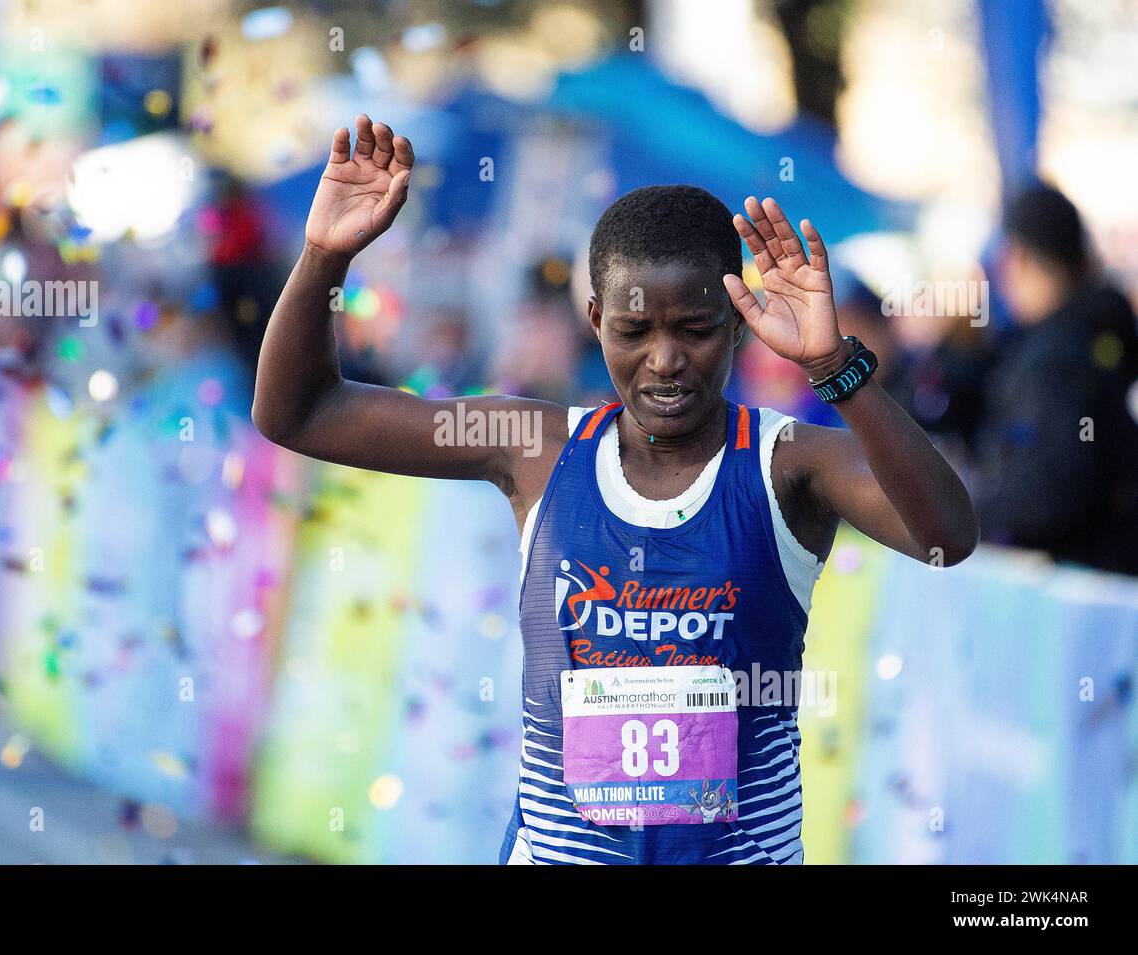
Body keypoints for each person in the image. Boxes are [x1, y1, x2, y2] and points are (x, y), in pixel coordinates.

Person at [252, 115, 979, 864]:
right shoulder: (534, 449)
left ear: (737, 323)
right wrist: (323, 256)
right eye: (634, 330)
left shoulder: (787, 464)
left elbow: (946, 536)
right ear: (596, 321)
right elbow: (299, 412)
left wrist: (833, 366)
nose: (664, 360)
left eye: (694, 328)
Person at [976, 183, 1138, 576]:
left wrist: (967, 514)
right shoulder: (1101, 332)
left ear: (1021, 257)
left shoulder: (1055, 358)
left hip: (1071, 589)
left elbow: (1050, 493)